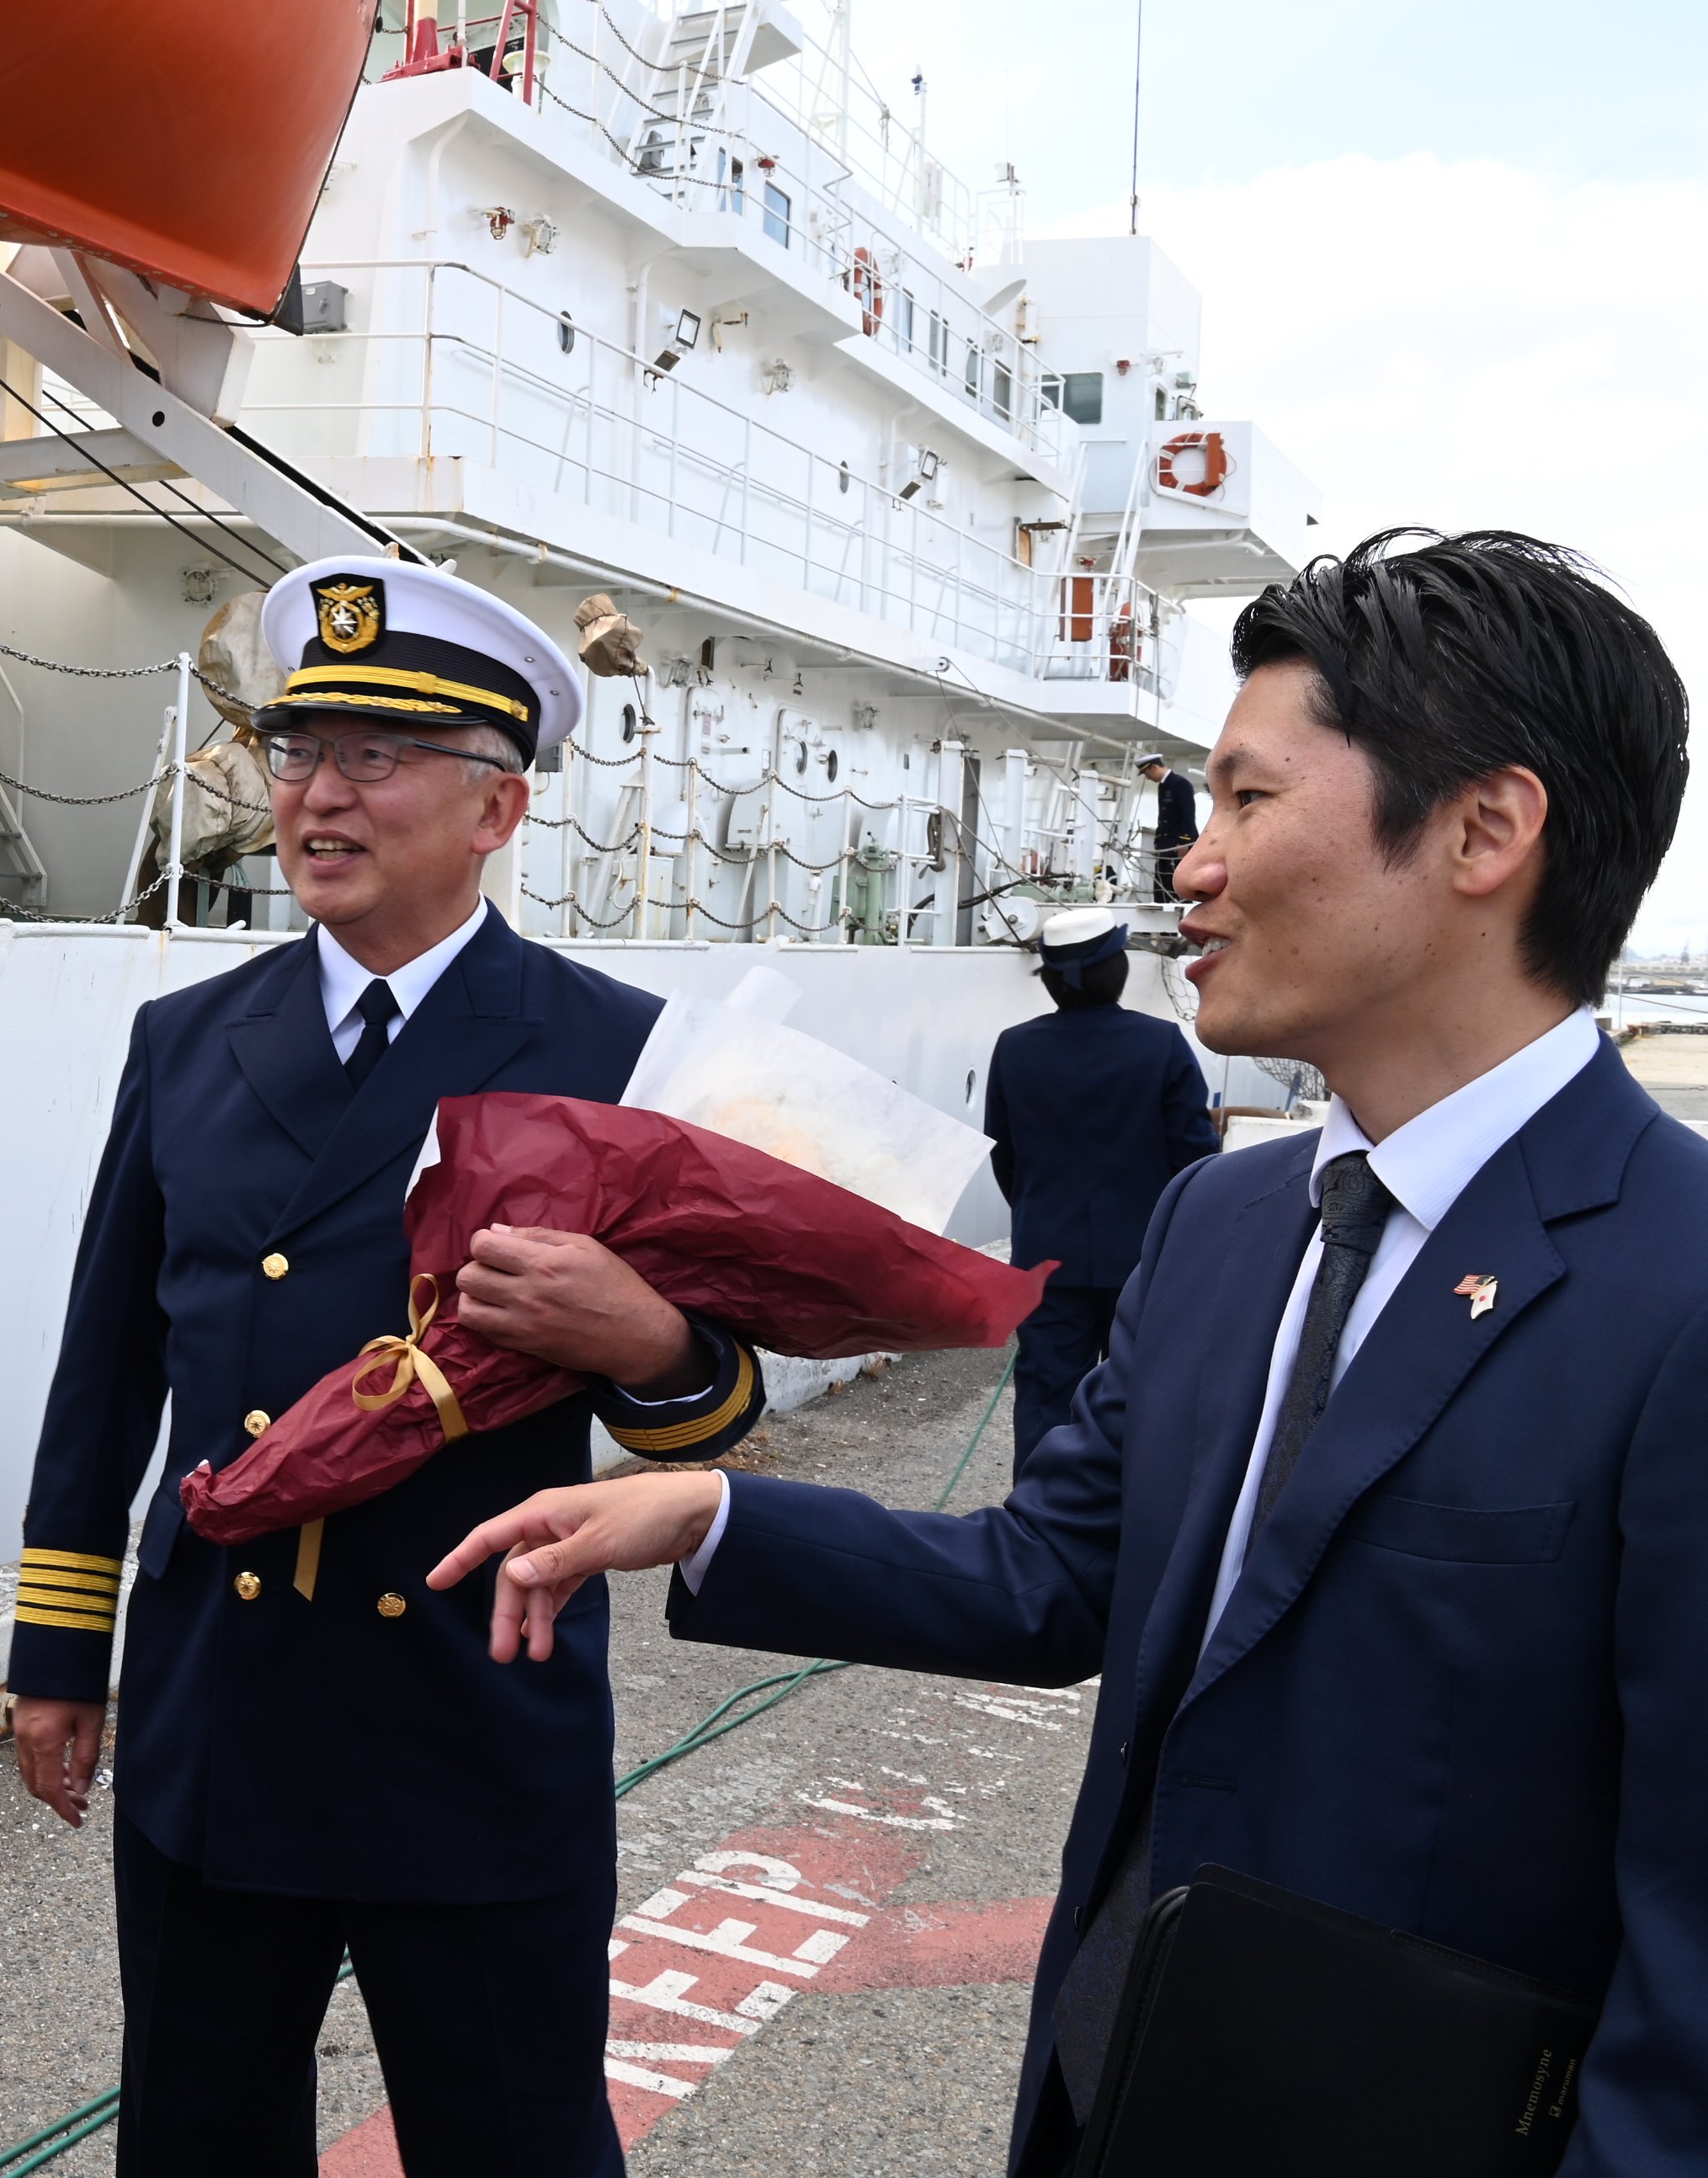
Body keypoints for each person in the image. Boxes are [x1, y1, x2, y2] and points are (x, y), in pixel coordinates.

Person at [434, 530, 1705, 2175]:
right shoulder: (1223, 1228)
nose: (1191, 866)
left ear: (1481, 831)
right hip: (1114, 2099)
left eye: (1246, 802)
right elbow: (1049, 1579)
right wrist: (710, 1516)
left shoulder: (1672, 1288)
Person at [6, 556, 767, 2176]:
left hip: (467, 1709)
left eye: (376, 757)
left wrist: (639, 1338)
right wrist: (62, 1652)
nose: (318, 797)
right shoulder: (187, 1039)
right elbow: (107, 1367)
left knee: (512, 2141)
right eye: (297, 753)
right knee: (200, 2136)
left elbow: (718, 1401)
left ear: (497, 811)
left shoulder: (612, 1051)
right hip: (230, 1701)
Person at [982, 906, 1220, 1470]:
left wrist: (1042, 1210)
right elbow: (1195, 1157)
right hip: (1144, 1256)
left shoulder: (1014, 1047)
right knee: (1142, 1391)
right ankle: (1130, 1517)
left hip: (1047, 1254)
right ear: (1116, 970)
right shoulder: (1160, 1043)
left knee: (1045, 1392)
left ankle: (1038, 1520)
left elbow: (1004, 1154)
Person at [1140, 750, 1197, 898]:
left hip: (1177, 845)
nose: (1148, 778)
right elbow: (1165, 817)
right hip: (1165, 844)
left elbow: (1188, 815)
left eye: (1147, 774)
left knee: (1176, 888)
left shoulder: (1180, 784)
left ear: (1154, 767)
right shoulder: (1164, 785)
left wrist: (1184, 842)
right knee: (1161, 887)